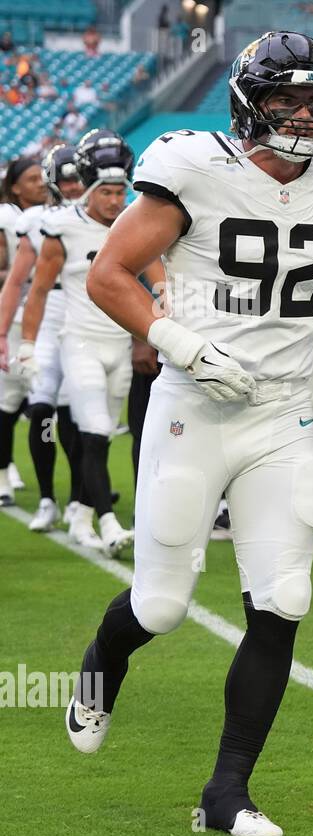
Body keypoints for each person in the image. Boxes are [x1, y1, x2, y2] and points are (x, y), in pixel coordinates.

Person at [61, 31, 313, 836]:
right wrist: (179, 342)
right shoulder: (194, 167)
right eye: (287, 101)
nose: (303, 118)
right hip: (193, 406)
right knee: (162, 605)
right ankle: (104, 657)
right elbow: (107, 275)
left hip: (282, 413)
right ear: (249, 103)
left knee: (284, 599)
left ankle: (227, 790)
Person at [20, 130, 158, 557]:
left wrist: (162, 317)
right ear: (92, 189)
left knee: (99, 434)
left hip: (118, 344)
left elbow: (159, 280)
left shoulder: (134, 226)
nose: (116, 201)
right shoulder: (62, 228)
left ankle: (81, 514)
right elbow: (39, 291)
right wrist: (26, 343)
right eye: (109, 192)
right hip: (77, 341)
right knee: (96, 430)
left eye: (121, 192)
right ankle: (110, 522)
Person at [0, 144, 84, 531]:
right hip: (46, 316)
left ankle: (83, 499)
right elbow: (18, 280)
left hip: (89, 318)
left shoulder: (106, 214)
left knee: (83, 416)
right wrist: (3, 334)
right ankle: (49, 498)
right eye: (64, 178)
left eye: (75, 177)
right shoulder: (34, 219)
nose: (71, 186)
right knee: (40, 407)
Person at [0, 155, 47, 505]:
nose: (40, 183)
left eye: (42, 177)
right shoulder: (7, 217)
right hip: (17, 316)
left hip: (51, 316)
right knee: (10, 398)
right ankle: (3, 472)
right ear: (15, 186)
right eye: (31, 179)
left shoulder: (53, 215)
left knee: (48, 402)